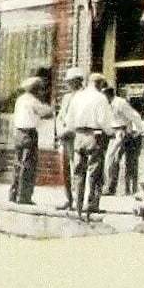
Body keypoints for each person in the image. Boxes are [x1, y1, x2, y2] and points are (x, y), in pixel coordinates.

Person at [63, 73, 115, 219]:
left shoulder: (77, 97)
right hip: (95, 135)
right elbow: (103, 120)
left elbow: (69, 120)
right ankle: (91, 206)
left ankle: (78, 206)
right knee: (94, 172)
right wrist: (111, 133)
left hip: (79, 136)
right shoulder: (100, 98)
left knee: (79, 172)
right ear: (100, 84)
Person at [9, 77, 53, 204]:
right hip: (29, 134)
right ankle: (24, 196)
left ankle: (13, 193)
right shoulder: (33, 101)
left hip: (18, 133)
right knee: (28, 166)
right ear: (36, 89)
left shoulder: (20, 100)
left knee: (17, 164)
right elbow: (47, 113)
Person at [102, 83, 144, 196]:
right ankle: (111, 187)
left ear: (108, 93)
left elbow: (134, 116)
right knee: (111, 160)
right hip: (112, 133)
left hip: (123, 132)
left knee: (124, 161)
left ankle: (130, 189)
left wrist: (139, 130)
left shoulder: (120, 103)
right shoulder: (106, 104)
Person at [55, 67, 86, 210]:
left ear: (78, 81)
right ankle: (68, 198)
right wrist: (60, 129)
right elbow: (61, 115)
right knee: (65, 168)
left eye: (71, 81)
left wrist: (69, 130)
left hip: (76, 136)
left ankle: (79, 200)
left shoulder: (84, 96)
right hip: (64, 137)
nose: (69, 84)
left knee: (76, 168)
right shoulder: (67, 98)